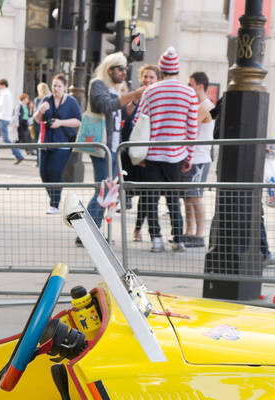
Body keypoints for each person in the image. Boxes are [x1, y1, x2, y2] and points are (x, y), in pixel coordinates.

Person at [137, 48, 197, 252]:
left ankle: (156, 239)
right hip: (176, 155)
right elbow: (192, 128)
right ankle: (178, 239)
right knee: (173, 199)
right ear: (177, 70)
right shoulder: (188, 93)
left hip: (153, 154)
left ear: (161, 70)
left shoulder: (150, 91)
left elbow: (139, 122)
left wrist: (141, 153)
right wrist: (189, 155)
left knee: (150, 199)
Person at [84, 51, 144, 229]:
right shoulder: (98, 85)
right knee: (102, 189)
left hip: (114, 147)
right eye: (120, 69)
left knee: (108, 191)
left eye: (125, 69)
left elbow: (122, 114)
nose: (124, 73)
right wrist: (133, 95)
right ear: (110, 70)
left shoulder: (113, 90)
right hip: (103, 146)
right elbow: (107, 106)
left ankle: (94, 229)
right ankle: (86, 230)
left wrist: (134, 100)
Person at [32, 74, 81, 214]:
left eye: (59, 86)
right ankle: (54, 199)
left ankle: (54, 204)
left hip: (63, 143)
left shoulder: (71, 101)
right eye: (54, 85)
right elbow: (36, 119)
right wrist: (40, 110)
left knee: (55, 172)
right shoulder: (46, 99)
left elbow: (78, 121)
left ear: (65, 87)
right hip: (46, 141)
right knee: (44, 174)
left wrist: (61, 123)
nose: (56, 88)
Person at [125, 64, 160, 240]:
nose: (148, 80)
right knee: (138, 191)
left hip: (150, 152)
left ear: (157, 79)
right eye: (145, 76)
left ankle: (139, 230)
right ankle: (139, 230)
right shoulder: (137, 96)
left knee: (147, 194)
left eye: (151, 77)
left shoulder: (158, 97)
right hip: (135, 151)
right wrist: (135, 98)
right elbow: (129, 116)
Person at [183, 71, 215, 249]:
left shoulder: (205, 106)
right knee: (187, 198)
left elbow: (189, 127)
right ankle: (189, 231)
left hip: (200, 158)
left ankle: (199, 233)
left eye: (190, 84)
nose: (189, 88)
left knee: (195, 197)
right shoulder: (198, 105)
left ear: (200, 86)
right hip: (192, 157)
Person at [0, 78, 24, 163]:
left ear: (3, 85)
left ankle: (19, 155)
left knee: (5, 139)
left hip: (2, 119)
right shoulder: (8, 94)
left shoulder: (5, 94)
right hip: (3, 119)